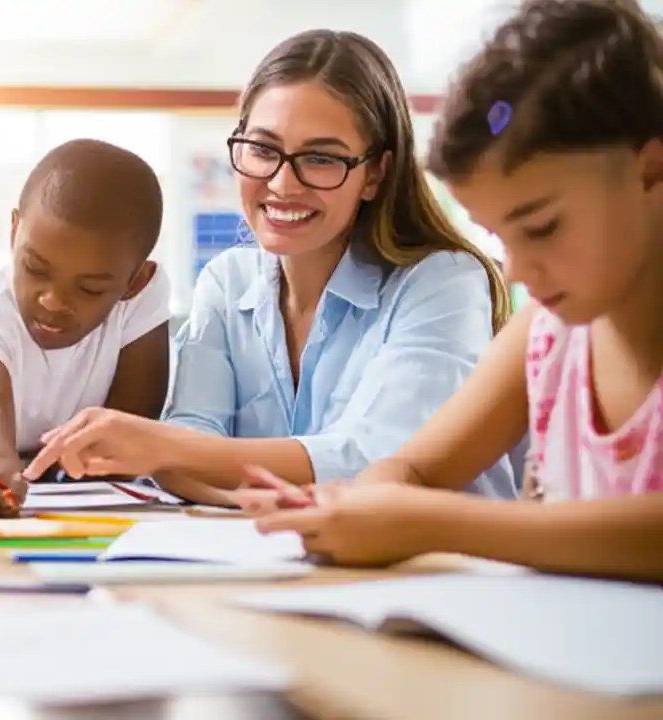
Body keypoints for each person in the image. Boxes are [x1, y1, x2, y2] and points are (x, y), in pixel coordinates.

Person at [246, 0, 663, 582]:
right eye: (498, 236)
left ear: (650, 172)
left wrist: (434, 523)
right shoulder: (543, 337)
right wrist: (362, 504)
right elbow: (414, 469)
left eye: (542, 228)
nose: (515, 270)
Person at [23, 30, 517, 504]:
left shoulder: (443, 281)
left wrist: (172, 451)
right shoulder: (226, 281)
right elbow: (189, 439)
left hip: (445, 572)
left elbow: (383, 458)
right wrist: (191, 462)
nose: (282, 183)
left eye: (320, 158)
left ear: (375, 174)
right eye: (262, 150)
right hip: (288, 562)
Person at [0, 139, 171, 517]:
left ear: (135, 282)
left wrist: (33, 466)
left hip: (87, 493)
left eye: (89, 289)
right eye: (35, 267)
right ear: (15, 230)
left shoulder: (143, 300)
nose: (52, 300)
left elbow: (128, 432)